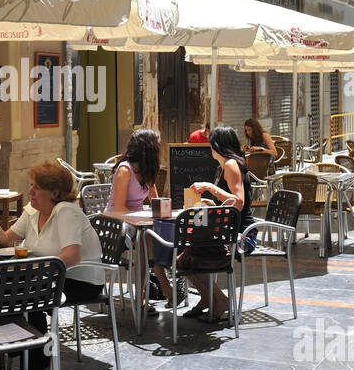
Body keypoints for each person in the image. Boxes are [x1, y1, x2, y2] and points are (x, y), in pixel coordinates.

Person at [0, 160, 104, 370]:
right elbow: (5, 241)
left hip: (81, 280)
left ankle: (36, 361)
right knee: (6, 289)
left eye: (36, 187)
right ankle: (19, 344)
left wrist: (36, 272)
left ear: (54, 192)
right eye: (31, 185)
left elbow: (71, 256)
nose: (30, 191)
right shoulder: (33, 211)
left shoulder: (66, 212)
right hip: (50, 276)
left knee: (27, 294)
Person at [187, 126, 253, 324]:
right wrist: (211, 204)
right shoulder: (228, 164)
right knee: (185, 250)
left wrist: (209, 187)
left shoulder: (231, 164)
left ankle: (219, 300)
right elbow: (229, 204)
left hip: (242, 237)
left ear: (217, 145)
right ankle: (210, 298)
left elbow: (238, 203)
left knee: (186, 252)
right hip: (229, 231)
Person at [107, 128, 174, 306]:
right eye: (157, 145)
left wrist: (167, 213)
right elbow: (120, 208)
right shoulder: (124, 170)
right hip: (117, 221)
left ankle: (155, 287)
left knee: (157, 233)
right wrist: (143, 220)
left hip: (137, 220)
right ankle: (160, 284)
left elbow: (155, 200)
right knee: (146, 237)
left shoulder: (147, 170)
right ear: (149, 149)